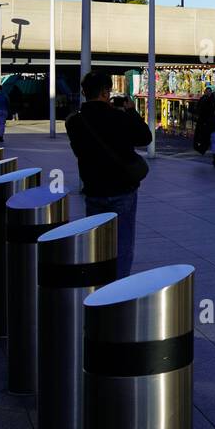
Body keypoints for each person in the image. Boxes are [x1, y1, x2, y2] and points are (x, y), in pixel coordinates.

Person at [66, 71, 153, 280]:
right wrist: (131, 112)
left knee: (96, 242)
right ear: (106, 93)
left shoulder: (74, 122)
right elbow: (145, 137)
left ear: (84, 92)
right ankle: (119, 289)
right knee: (122, 244)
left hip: (94, 190)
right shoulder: (119, 117)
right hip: (122, 189)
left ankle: (96, 283)